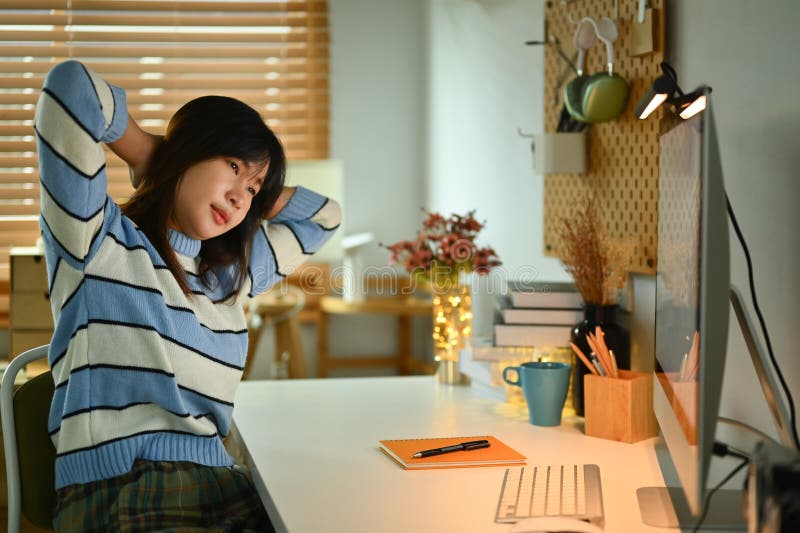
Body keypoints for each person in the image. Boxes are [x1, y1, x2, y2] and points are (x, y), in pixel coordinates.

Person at [35, 60, 341, 531]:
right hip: (123, 491)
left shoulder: (231, 276)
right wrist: (149, 153)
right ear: (189, 151)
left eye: (252, 188)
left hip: (223, 486)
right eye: (233, 166)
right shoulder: (95, 239)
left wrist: (261, 190)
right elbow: (72, 88)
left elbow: (326, 217)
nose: (240, 197)